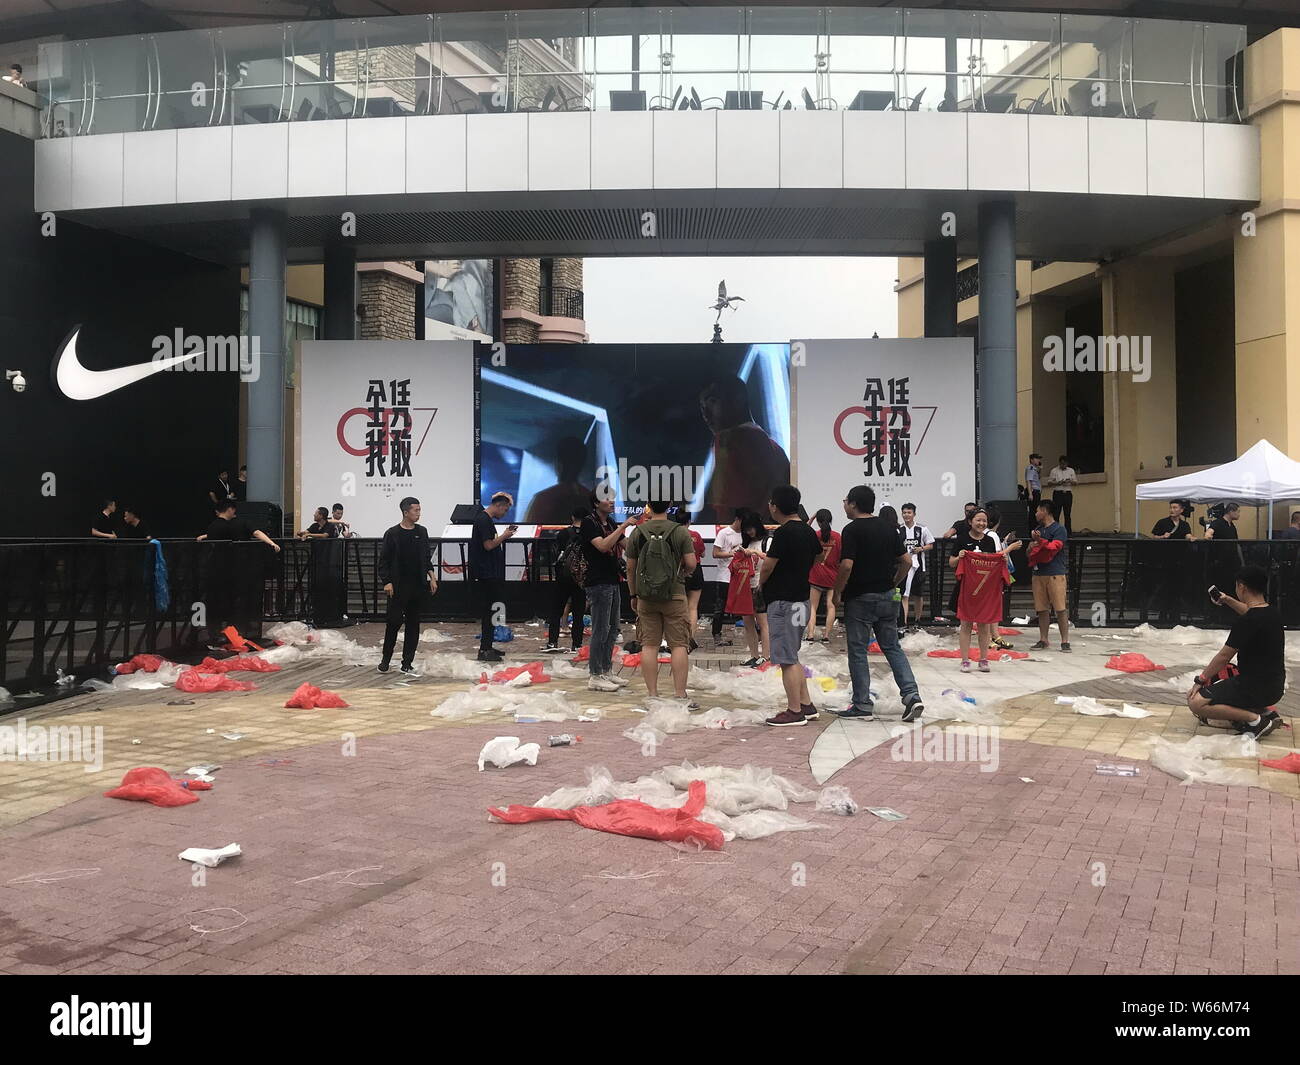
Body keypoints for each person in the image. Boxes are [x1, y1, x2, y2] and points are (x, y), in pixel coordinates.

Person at [832, 485, 924, 722]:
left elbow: (846, 565)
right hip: (887, 597)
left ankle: (862, 704)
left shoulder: (851, 530)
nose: (844, 505)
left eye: (845, 501)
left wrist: (837, 592)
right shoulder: (889, 528)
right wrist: (893, 583)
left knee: (859, 651)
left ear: (853, 504)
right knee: (892, 647)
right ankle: (911, 695)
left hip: (860, 598)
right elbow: (905, 561)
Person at [1186, 566, 1284, 739]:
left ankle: (1256, 720)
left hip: (1252, 686)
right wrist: (1228, 600)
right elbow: (1251, 613)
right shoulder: (1272, 613)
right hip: (1275, 687)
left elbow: (1224, 656)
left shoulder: (1247, 621)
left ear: (1242, 587)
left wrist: (1200, 680)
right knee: (1227, 685)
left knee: (1197, 703)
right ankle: (1265, 712)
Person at [761, 485, 826, 727]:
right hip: (802, 600)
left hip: (783, 602)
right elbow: (819, 557)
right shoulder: (808, 532)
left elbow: (767, 566)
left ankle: (794, 710)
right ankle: (806, 705)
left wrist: (760, 585)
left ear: (775, 506)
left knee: (786, 658)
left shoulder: (784, 533)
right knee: (793, 654)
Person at [626, 501, 697, 702]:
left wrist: (633, 594)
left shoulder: (637, 532)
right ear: (670, 505)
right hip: (674, 594)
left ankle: (652, 695)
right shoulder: (680, 532)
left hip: (646, 597)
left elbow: (630, 568)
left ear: (649, 506)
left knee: (649, 645)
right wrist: (683, 572)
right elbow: (691, 563)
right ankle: (680, 695)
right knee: (678, 645)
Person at [698, 375, 791, 523]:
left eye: (712, 402)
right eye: (702, 407)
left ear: (738, 400)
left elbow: (726, 510)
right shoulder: (776, 449)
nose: (705, 413)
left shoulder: (728, 440)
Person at [197, 500, 280, 647]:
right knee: (236, 599)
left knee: (219, 601)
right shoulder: (236, 525)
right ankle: (233, 630)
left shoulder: (215, 526)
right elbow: (256, 532)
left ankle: (217, 632)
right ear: (230, 510)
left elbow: (214, 537)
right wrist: (271, 543)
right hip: (235, 569)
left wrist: (204, 537)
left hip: (217, 569)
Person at [581, 492, 638, 691]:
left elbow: (628, 546)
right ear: (596, 502)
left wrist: (644, 532)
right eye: (606, 498)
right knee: (600, 629)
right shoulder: (589, 523)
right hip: (597, 582)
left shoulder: (610, 522)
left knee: (613, 628)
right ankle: (595, 675)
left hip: (613, 580)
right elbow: (603, 546)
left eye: (612, 498)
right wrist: (624, 526)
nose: (611, 501)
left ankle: (606, 671)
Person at [377, 496, 437, 677]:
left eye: (419, 510)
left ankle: (407, 662)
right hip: (398, 585)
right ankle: (386, 660)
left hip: (417, 585)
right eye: (415, 510)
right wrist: (386, 581)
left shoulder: (422, 531)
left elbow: (426, 557)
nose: (418, 513)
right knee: (394, 622)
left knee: (413, 624)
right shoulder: (392, 533)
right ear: (405, 512)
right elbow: (384, 560)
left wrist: (432, 577)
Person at [949, 508, 1014, 673]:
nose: (981, 523)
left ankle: (983, 659)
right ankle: (965, 660)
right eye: (978, 520)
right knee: (966, 625)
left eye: (984, 521)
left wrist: (1003, 558)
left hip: (986, 592)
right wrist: (960, 557)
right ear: (970, 522)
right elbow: (952, 563)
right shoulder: (962, 539)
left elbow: (995, 562)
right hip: (967, 590)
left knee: (984, 626)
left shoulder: (990, 541)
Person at [469, 492, 515, 662]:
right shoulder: (483, 520)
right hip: (485, 574)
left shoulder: (486, 521)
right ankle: (484, 649)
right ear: (499, 505)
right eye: (505, 510)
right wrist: (504, 536)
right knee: (488, 611)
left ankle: (487, 646)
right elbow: (488, 545)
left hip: (490, 572)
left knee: (492, 610)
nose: (505, 513)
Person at [729, 510, 771, 667]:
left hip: (761, 586)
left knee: (763, 622)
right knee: (748, 622)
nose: (749, 532)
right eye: (746, 529)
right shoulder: (746, 543)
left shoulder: (767, 541)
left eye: (751, 528)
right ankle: (754, 655)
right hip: (745, 587)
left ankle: (766, 656)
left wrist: (754, 552)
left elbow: (770, 559)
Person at [543, 507, 588, 654]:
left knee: (556, 610)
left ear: (572, 517)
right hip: (581, 578)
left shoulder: (563, 533)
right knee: (578, 612)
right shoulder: (589, 534)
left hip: (563, 577)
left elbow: (556, 554)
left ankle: (552, 642)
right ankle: (577, 644)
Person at [1029, 500, 1070, 652]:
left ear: (1045, 511)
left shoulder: (1059, 529)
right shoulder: (1038, 530)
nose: (1036, 513)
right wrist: (1032, 546)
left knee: (1060, 608)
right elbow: (1030, 553)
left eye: (1038, 510)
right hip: (1039, 573)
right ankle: (1043, 639)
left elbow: (1055, 547)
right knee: (1042, 609)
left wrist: (1040, 541)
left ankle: (1065, 641)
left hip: (1055, 573)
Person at [525, 436, 593, 524]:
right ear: (582, 464)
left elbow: (531, 532)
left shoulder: (544, 498)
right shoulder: (591, 499)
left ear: (559, 464)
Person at [1148, 500, 1194, 625]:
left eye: (1175, 507)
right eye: (1171, 507)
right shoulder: (1162, 522)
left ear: (1181, 510)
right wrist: (1163, 537)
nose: (1172, 510)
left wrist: (1191, 538)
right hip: (1166, 561)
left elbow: (1187, 535)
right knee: (1165, 588)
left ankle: (1176, 615)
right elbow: (1153, 536)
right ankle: (1162, 615)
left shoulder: (1184, 524)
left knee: (1178, 589)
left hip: (1180, 561)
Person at [805, 508, 841, 643]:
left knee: (812, 607)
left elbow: (804, 529)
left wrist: (812, 517)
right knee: (831, 607)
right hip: (833, 577)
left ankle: (810, 635)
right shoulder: (838, 537)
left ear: (818, 522)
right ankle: (826, 636)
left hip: (816, 575)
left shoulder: (814, 535)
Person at [674, 509, 707, 652]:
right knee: (693, 607)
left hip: (678, 572)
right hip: (696, 570)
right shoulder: (696, 535)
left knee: (677, 608)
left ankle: (677, 639)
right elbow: (703, 554)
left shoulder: (673, 535)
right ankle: (690, 639)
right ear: (689, 521)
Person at [898, 503, 934, 632]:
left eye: (909, 512)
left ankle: (918, 621)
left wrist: (921, 548)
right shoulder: (899, 529)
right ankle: (904, 623)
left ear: (914, 514)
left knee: (918, 595)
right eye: (904, 513)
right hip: (904, 566)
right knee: (904, 595)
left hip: (919, 566)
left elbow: (931, 544)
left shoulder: (922, 529)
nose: (906, 515)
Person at [710, 512, 744, 648]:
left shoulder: (744, 534)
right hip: (725, 576)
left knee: (744, 606)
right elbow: (715, 553)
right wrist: (732, 553)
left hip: (741, 576)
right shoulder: (724, 533)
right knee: (720, 607)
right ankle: (716, 635)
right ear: (737, 519)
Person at [1046, 455, 1077, 532]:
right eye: (1062, 463)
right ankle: (1056, 531)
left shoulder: (1071, 471)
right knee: (1056, 513)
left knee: (1067, 513)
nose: (1063, 465)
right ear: (1059, 463)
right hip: (1058, 493)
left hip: (1067, 493)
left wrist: (1069, 481)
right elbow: (1049, 483)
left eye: (1065, 464)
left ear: (1067, 463)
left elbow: (1075, 482)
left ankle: (1068, 532)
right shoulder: (1054, 470)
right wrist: (1058, 483)